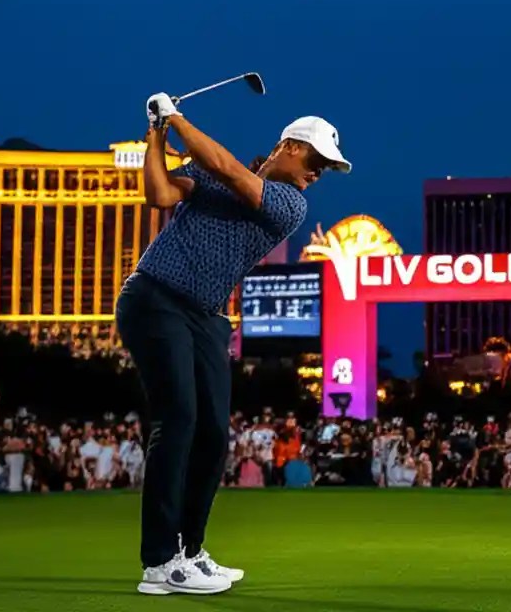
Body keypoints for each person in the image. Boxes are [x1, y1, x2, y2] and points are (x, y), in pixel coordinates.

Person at [116, 94, 350, 596]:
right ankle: (159, 562)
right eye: (317, 162)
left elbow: (222, 165)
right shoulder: (216, 179)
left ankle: (190, 551)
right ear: (289, 147)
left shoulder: (288, 202)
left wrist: (174, 118)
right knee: (178, 418)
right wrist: (156, 132)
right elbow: (158, 194)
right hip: (155, 297)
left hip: (206, 315)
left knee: (213, 436)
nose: (318, 174)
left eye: (326, 169)